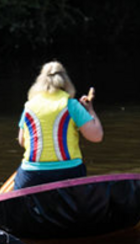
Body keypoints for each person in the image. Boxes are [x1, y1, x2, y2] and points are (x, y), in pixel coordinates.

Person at [13, 61, 103, 189]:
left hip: (32, 174)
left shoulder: (29, 107)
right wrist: (90, 110)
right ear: (66, 82)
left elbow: (22, 141)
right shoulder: (72, 105)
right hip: (69, 172)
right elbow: (96, 136)